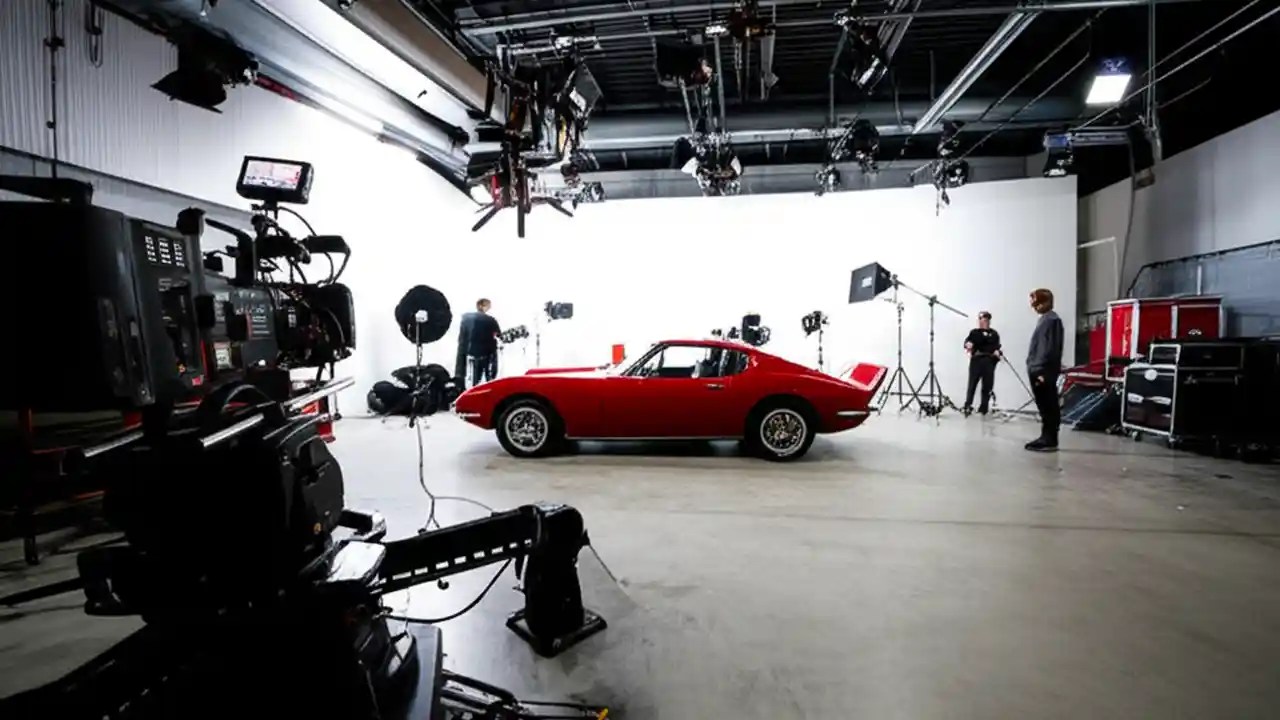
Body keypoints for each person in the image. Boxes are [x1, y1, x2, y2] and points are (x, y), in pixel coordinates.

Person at [1025, 288, 1064, 452]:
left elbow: (1049, 349)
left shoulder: (1051, 320)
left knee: (1048, 404)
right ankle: (1046, 436)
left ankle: (1049, 438)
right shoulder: (1045, 319)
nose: (1035, 308)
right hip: (1037, 367)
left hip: (1042, 369)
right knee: (1044, 404)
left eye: (1038, 304)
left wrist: (1042, 372)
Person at [962, 311, 1002, 416]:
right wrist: (968, 345)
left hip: (989, 362)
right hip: (977, 361)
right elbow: (967, 342)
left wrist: (997, 352)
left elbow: (997, 347)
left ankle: (983, 408)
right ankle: (968, 405)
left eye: (986, 320)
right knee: (972, 384)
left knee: (987, 386)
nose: (984, 322)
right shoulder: (974, 333)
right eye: (982, 320)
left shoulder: (994, 334)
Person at [465, 298, 501, 388]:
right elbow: (498, 334)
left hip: (473, 353)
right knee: (490, 379)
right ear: (483, 306)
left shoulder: (468, 319)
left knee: (475, 380)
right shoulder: (491, 320)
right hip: (488, 352)